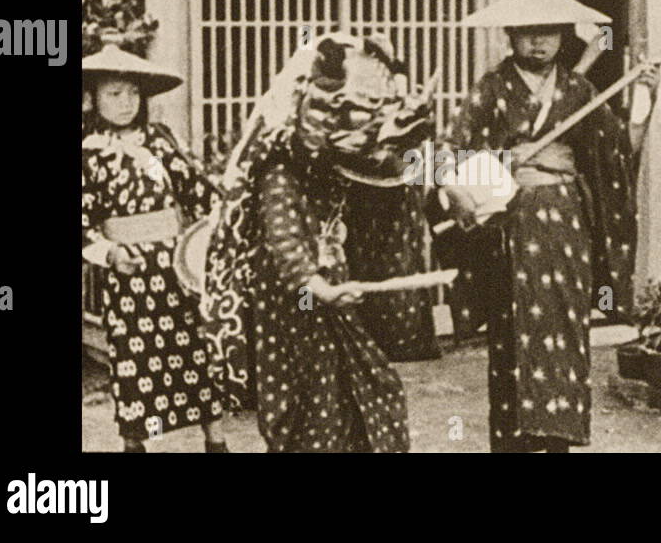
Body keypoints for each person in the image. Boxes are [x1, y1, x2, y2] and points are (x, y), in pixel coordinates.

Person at [439, 0, 660, 452]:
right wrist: (472, 180)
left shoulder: (580, 90)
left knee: (564, 326)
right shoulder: (491, 88)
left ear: (564, 35)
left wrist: (642, 101)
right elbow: (449, 153)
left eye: (549, 31)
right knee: (513, 332)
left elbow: (614, 156)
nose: (538, 41)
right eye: (527, 31)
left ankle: (558, 440)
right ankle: (514, 442)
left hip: (564, 225)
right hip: (510, 224)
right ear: (510, 35)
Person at [201, 33, 433, 452]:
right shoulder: (278, 167)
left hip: (334, 293)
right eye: (328, 111)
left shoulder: (335, 167)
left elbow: (383, 205)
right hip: (293, 303)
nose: (333, 123)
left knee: (367, 390)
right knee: (309, 409)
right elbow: (284, 240)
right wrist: (318, 287)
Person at [81, 41, 227, 453]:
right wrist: (108, 253)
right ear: (92, 98)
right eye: (114, 94)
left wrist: (205, 239)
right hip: (127, 278)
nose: (126, 102)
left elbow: (202, 195)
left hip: (176, 271)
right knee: (133, 364)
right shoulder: (87, 157)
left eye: (133, 93)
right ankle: (134, 442)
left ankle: (215, 440)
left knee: (194, 353)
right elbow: (83, 224)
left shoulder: (160, 144)